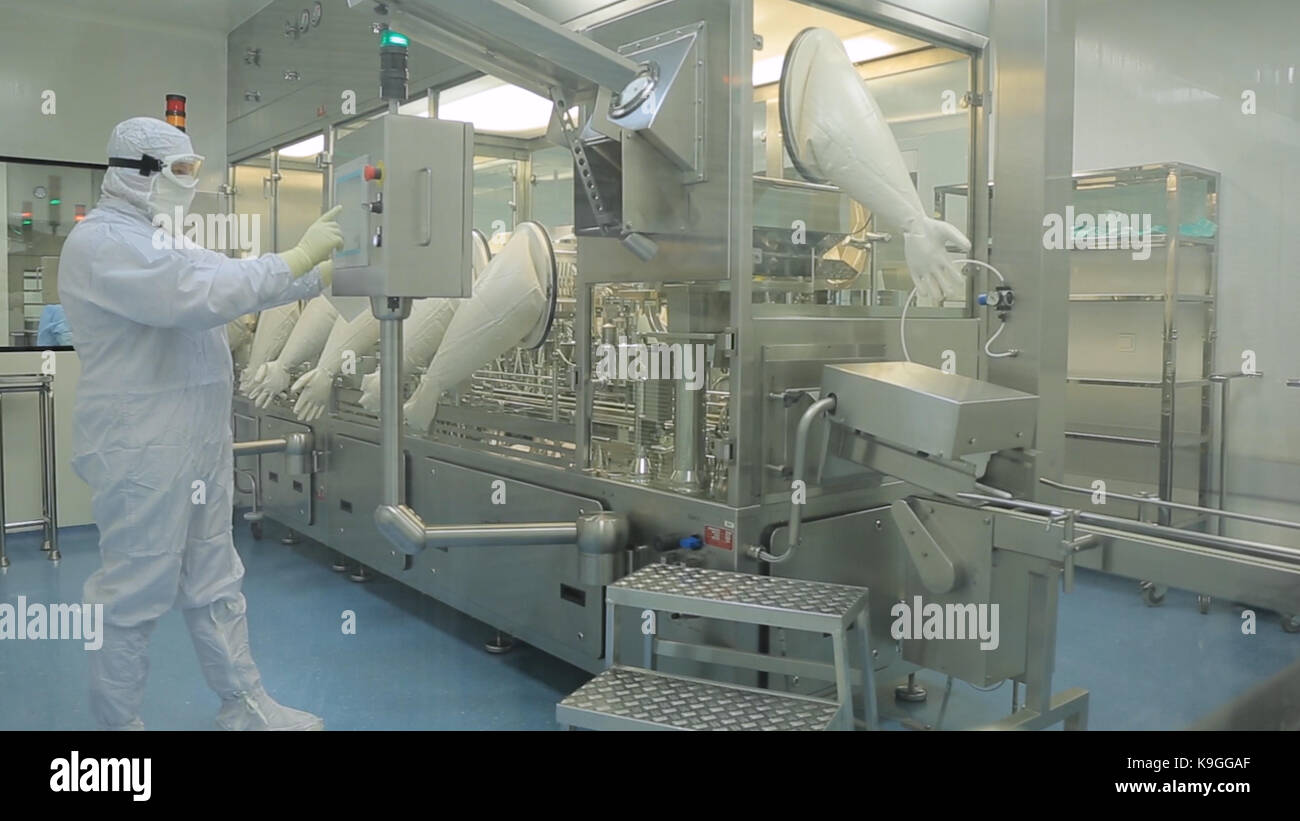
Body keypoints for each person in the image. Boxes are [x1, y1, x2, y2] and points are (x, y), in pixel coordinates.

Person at [59, 116, 343, 731]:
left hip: (198, 443)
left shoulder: (167, 238)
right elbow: (197, 293)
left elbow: (233, 284)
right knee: (133, 594)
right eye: (182, 171)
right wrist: (300, 252)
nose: (190, 183)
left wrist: (328, 272)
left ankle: (244, 707)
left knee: (218, 578)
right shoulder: (102, 243)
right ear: (139, 172)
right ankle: (117, 733)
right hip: (141, 451)